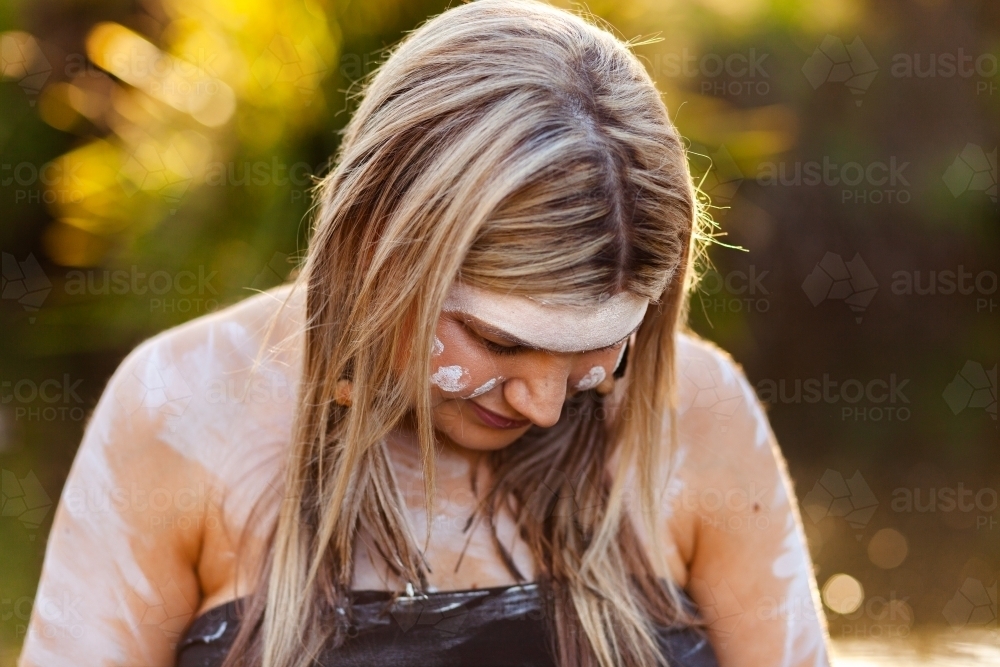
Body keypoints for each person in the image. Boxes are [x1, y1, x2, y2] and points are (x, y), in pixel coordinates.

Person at [18, 1, 831, 665]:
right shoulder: (181, 409)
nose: (546, 406)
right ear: (375, 248)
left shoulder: (701, 415)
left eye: (593, 351)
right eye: (501, 342)